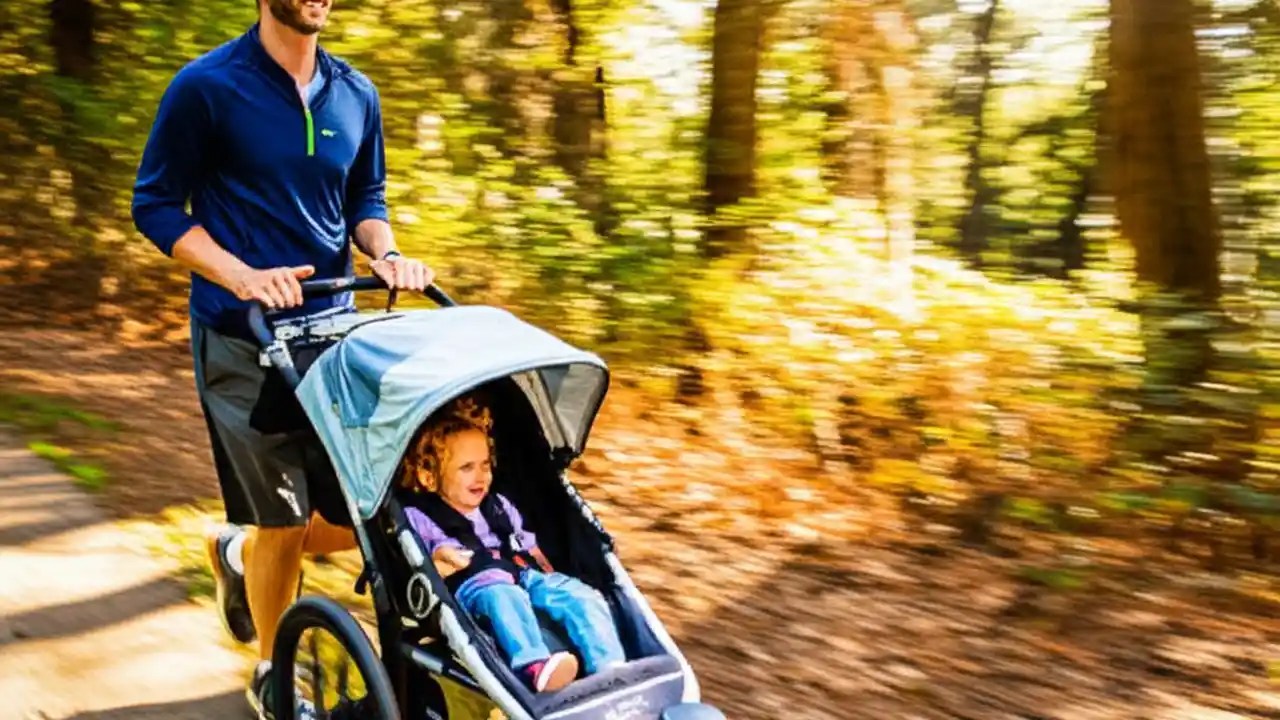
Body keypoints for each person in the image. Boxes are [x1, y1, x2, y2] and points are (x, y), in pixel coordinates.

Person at [130, 0, 433, 717]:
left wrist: (385, 252)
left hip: (332, 334)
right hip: (243, 335)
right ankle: (273, 671)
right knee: (286, 516)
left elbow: (365, 195)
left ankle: (239, 556)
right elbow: (157, 205)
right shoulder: (206, 87)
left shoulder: (356, 92)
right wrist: (236, 273)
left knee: (367, 512)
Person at [400, 395, 627, 693]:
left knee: (578, 594)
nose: (480, 476)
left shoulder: (499, 506)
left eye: (485, 465)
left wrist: (548, 573)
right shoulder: (420, 516)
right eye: (466, 467)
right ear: (429, 476)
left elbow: (528, 546)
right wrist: (440, 560)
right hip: (476, 585)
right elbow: (422, 558)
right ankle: (533, 665)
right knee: (504, 596)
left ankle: (609, 666)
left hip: (522, 574)